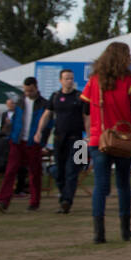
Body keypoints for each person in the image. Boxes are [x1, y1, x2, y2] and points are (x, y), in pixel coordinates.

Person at [81, 42, 131, 243]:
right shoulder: (130, 81)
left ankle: (99, 233)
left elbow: (84, 107)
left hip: (98, 138)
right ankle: (125, 229)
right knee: (123, 184)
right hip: (123, 139)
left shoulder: (94, 80)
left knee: (100, 186)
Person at [0, 77, 47, 213]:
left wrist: (42, 139)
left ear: (36, 87)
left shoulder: (43, 103)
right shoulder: (20, 101)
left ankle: (34, 201)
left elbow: (48, 123)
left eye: (30, 90)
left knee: (34, 172)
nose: (28, 93)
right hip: (17, 141)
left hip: (33, 141)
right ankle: (3, 200)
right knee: (10, 170)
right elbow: (15, 119)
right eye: (26, 90)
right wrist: (12, 135)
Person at [37, 68, 88, 214]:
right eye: (66, 78)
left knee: (73, 170)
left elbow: (87, 117)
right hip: (59, 138)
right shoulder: (55, 96)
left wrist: (89, 135)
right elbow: (47, 115)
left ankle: (67, 201)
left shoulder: (80, 96)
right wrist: (39, 131)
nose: (69, 81)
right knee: (58, 171)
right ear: (60, 80)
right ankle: (63, 199)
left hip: (78, 140)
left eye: (71, 78)